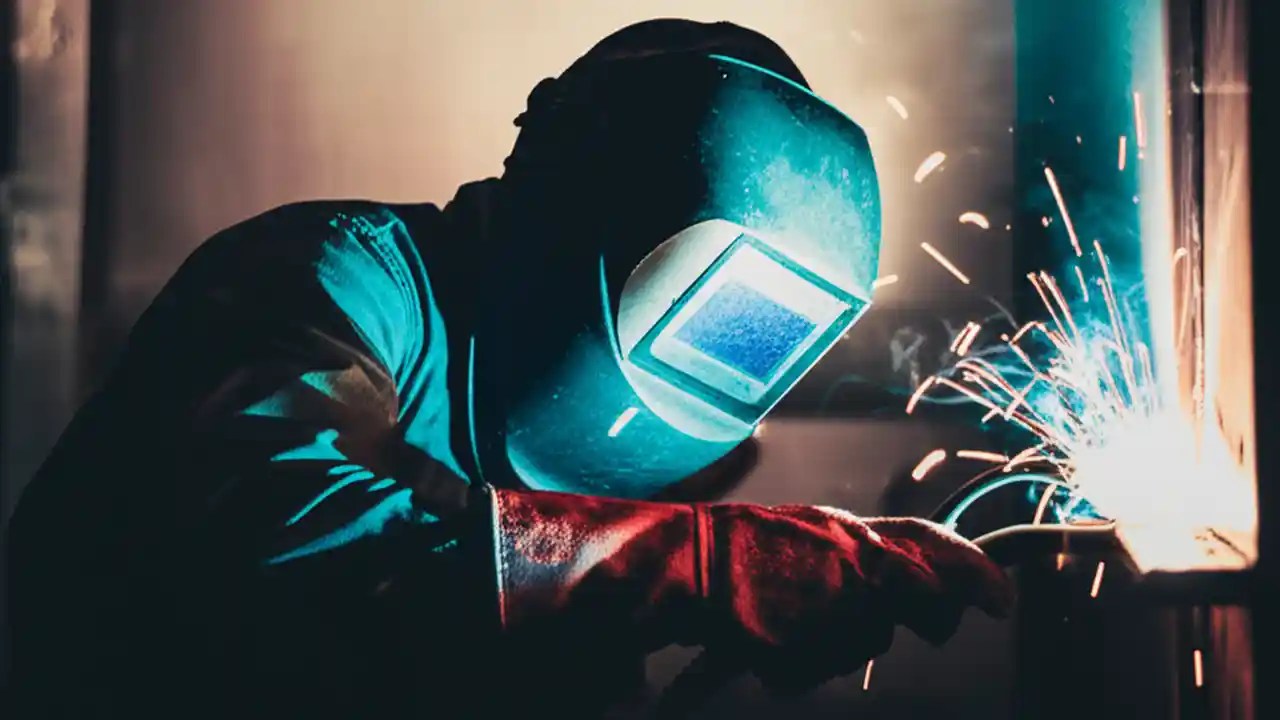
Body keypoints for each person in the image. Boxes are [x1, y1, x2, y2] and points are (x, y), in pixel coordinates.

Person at [4, 18, 1013, 719]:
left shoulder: (686, 463)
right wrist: (688, 567)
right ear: (572, 185)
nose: (722, 345)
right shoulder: (343, 277)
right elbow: (271, 537)